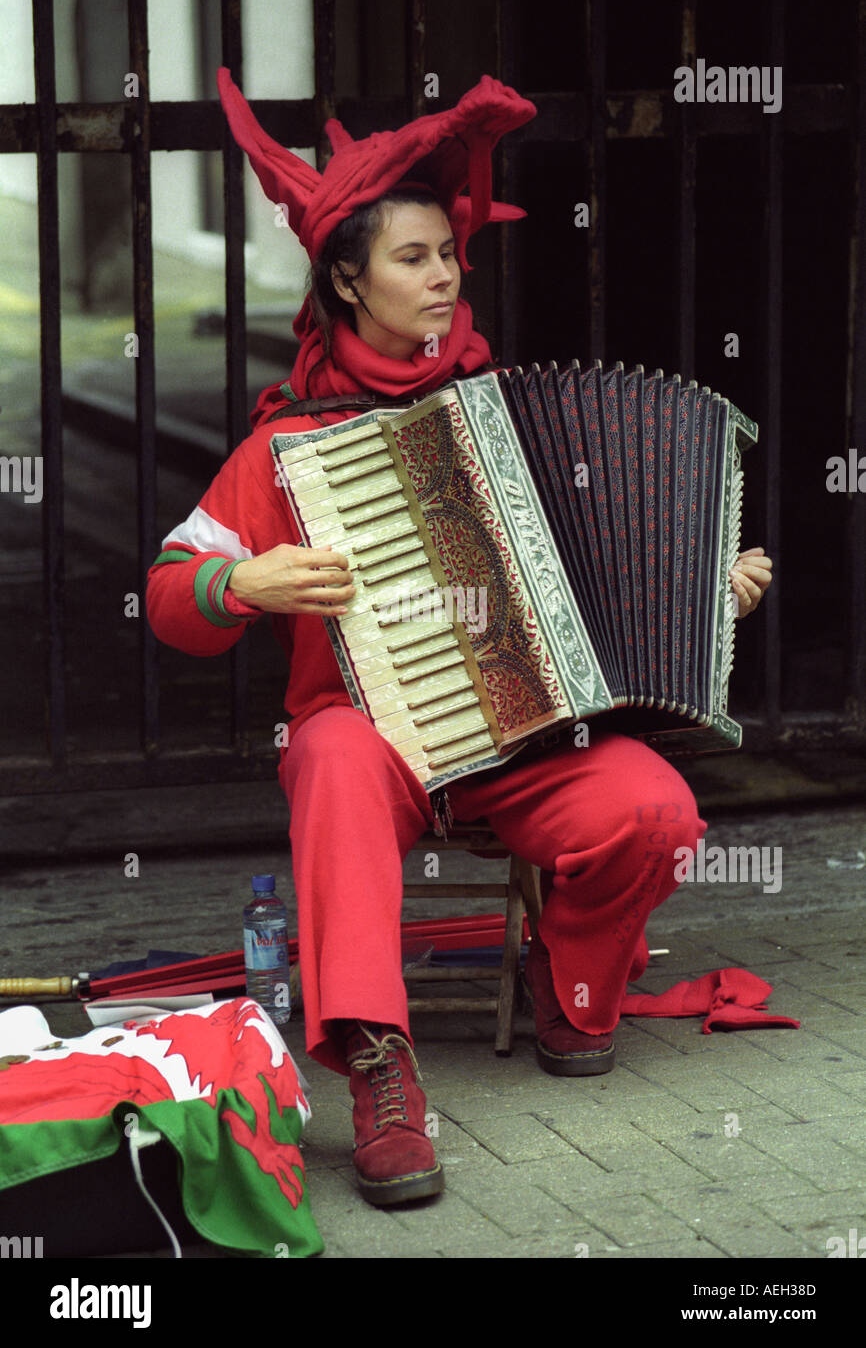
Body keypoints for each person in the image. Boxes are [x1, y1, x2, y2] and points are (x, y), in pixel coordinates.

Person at [146, 72, 773, 1208]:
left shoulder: (518, 415)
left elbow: (602, 582)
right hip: (373, 745)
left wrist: (697, 589)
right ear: (346, 277)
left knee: (654, 807)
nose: (444, 276)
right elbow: (166, 594)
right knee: (330, 756)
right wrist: (240, 578)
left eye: (447, 253)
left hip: (522, 748)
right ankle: (380, 1071)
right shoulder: (291, 441)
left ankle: (568, 984)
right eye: (412, 257)